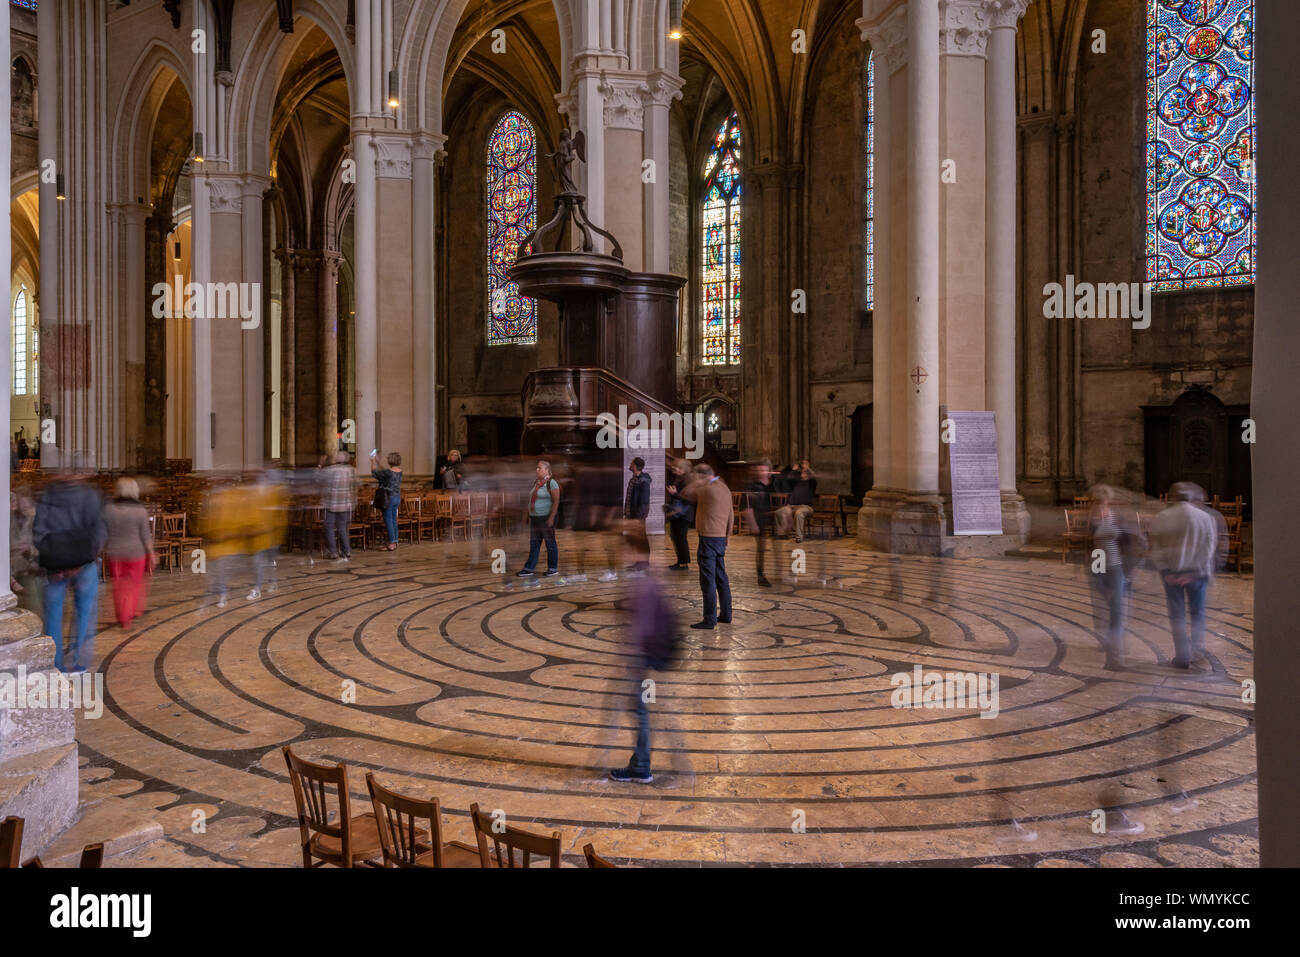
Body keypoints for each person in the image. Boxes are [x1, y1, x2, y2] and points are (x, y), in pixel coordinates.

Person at [609, 566, 678, 784]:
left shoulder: (643, 583)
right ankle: (642, 764)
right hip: (649, 655)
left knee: (640, 711)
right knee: (644, 710)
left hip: (643, 656)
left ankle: (641, 766)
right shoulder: (647, 580)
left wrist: (630, 652)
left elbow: (641, 625)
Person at [33, 472, 107, 673]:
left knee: (53, 614)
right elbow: (99, 532)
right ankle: (77, 661)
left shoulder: (48, 495)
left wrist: (55, 562)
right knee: (84, 612)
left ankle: (56, 664)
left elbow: (38, 533)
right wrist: (83, 561)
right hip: (84, 564)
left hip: (55, 566)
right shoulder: (91, 495)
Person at [1148, 481, 1220, 669]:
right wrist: (1195, 571)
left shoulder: (1162, 517)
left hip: (1171, 573)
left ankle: (1182, 656)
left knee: (1177, 615)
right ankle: (1197, 652)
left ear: (1173, 497)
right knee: (1198, 614)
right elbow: (1209, 548)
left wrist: (1165, 571)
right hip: (1196, 574)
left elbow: (1155, 547)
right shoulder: (1205, 517)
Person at [1088, 485, 1143, 670]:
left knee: (1117, 613)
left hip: (1118, 568)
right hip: (1104, 569)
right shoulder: (1093, 521)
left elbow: (1129, 543)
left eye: (1103, 502)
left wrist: (1128, 571)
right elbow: (1094, 552)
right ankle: (1113, 654)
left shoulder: (1116, 517)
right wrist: (1102, 582)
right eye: (1097, 502)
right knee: (1109, 612)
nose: (1101, 506)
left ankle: (1115, 656)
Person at [678, 464, 732, 630]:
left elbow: (685, 493)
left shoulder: (706, 490)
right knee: (721, 577)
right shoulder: (724, 488)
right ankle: (726, 614)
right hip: (720, 538)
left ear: (703, 476)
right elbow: (731, 514)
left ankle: (709, 619)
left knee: (707, 580)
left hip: (708, 538)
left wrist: (699, 482)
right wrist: (727, 537)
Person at [102, 478, 156, 630]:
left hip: (115, 553)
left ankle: (121, 614)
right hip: (136, 554)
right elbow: (146, 536)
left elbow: (103, 532)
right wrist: (151, 553)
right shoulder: (140, 511)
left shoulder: (108, 509)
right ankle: (127, 618)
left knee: (118, 586)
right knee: (132, 586)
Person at [247, 472, 288, 599]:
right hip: (260, 535)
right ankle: (257, 589)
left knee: (269, 562)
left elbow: (280, 518)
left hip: (272, 535)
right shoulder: (257, 496)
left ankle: (272, 582)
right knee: (258, 562)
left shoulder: (277, 497)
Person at [518, 459, 560, 577]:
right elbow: (531, 500)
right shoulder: (536, 482)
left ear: (547, 470)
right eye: (536, 467)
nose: (536, 469)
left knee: (550, 543)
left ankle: (553, 568)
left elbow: (556, 501)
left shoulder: (552, 483)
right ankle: (529, 568)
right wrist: (527, 516)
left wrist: (552, 517)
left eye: (539, 468)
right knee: (534, 543)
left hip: (546, 517)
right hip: (535, 518)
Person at [10, 488, 43, 614]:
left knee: (34, 608)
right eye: (21, 504)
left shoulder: (33, 519)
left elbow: (39, 542)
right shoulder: (8, 519)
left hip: (28, 569)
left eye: (27, 504)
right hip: (11, 570)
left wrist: (30, 549)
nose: (24, 507)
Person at [743, 459, 775, 587]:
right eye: (759, 470)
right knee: (761, 550)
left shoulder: (773, 484)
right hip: (759, 521)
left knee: (775, 550)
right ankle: (760, 576)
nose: (761, 472)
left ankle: (780, 574)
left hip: (772, 521)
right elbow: (748, 507)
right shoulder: (753, 487)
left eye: (764, 470)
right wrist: (753, 523)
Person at [321, 451, 358, 563]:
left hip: (332, 503)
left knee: (329, 527)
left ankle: (333, 552)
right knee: (342, 527)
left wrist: (321, 464)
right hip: (345, 504)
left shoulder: (330, 470)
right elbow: (357, 484)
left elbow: (318, 477)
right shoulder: (352, 470)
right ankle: (346, 551)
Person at [664, 457, 694, 571]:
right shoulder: (679, 479)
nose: (672, 468)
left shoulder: (687, 480)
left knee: (681, 538)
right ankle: (680, 562)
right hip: (678, 514)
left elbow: (689, 499)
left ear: (682, 469)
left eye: (675, 467)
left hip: (684, 515)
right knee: (676, 537)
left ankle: (684, 564)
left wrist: (675, 494)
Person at [370, 450, 404, 551]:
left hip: (388, 498)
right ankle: (395, 541)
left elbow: (374, 473)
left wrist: (373, 462)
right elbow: (386, 472)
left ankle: (392, 544)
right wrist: (379, 463)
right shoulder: (399, 471)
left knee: (388, 521)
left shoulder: (388, 472)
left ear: (390, 460)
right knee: (393, 520)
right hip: (397, 497)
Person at [775, 463, 817, 543]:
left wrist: (808, 468)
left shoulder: (811, 483)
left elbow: (814, 477)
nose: (802, 473)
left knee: (799, 513)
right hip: (791, 506)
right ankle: (782, 534)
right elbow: (789, 478)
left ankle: (799, 537)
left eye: (805, 472)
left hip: (805, 507)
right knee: (779, 512)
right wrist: (794, 470)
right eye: (802, 472)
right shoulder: (797, 482)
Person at [623, 457, 652, 571]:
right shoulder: (634, 479)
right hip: (632, 515)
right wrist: (627, 513)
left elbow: (644, 501)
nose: (629, 464)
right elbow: (630, 499)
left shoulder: (643, 481)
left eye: (631, 463)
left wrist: (639, 517)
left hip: (638, 516)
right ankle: (639, 561)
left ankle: (644, 563)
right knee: (636, 539)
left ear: (635, 465)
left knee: (641, 539)